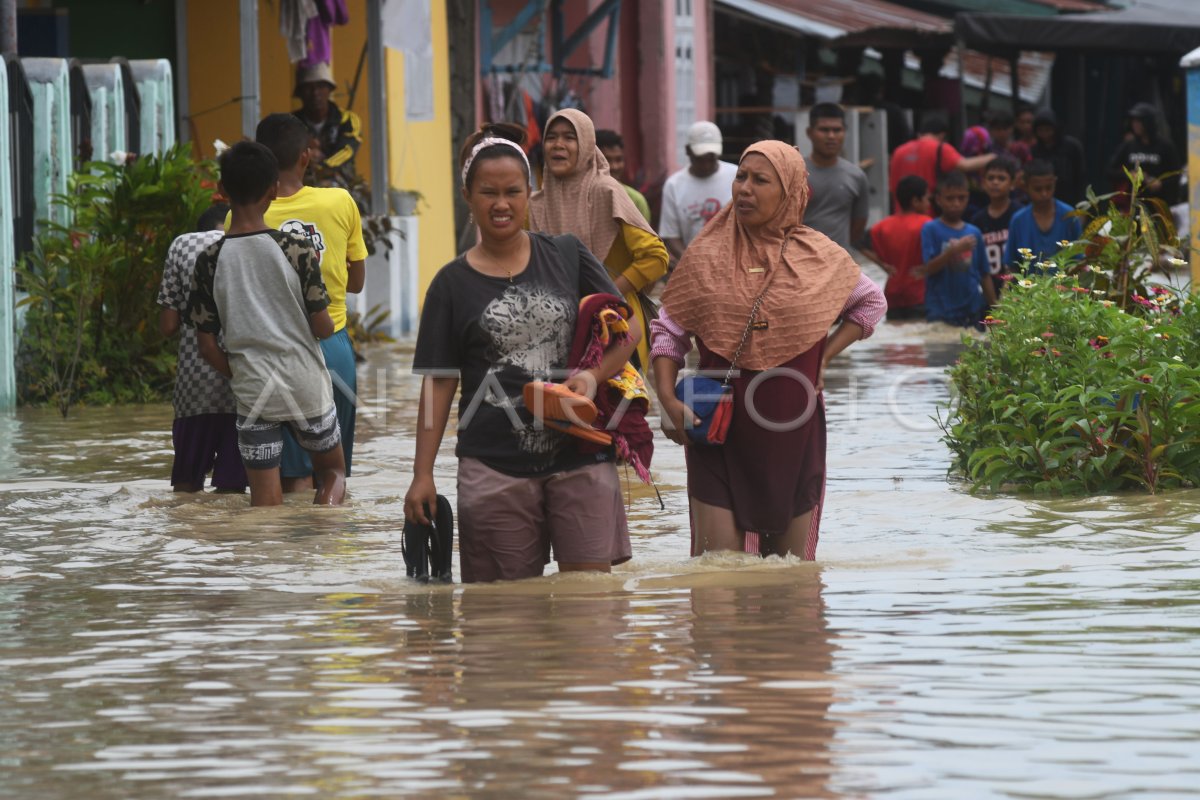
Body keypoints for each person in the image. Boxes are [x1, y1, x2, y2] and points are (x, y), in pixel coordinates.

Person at [404, 123, 638, 583]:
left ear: (529, 193)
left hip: (580, 454)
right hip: (493, 465)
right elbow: (440, 383)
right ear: (467, 197)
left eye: (513, 191)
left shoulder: (566, 255)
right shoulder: (450, 285)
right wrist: (422, 474)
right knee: (502, 612)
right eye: (488, 193)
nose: (501, 204)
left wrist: (592, 378)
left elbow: (625, 331)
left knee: (589, 604)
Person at [650, 141, 886, 560]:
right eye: (741, 177)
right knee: (719, 574)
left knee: (791, 580)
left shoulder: (821, 257)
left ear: (791, 191)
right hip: (717, 428)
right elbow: (669, 331)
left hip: (794, 428)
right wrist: (667, 399)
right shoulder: (705, 255)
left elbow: (871, 303)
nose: (744, 189)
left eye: (760, 180)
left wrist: (824, 356)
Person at [188, 141, 346, 507]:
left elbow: (207, 347)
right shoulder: (297, 249)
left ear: (222, 190)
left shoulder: (209, 260)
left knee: (264, 506)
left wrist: (244, 372)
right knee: (332, 474)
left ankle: (263, 546)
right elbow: (323, 327)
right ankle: (326, 535)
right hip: (306, 386)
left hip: (253, 392)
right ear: (273, 190)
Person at [255, 113, 367, 493]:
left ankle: (294, 537)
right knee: (333, 474)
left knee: (292, 479)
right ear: (306, 156)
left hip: (276, 352)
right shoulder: (340, 201)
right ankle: (329, 533)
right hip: (334, 346)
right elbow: (356, 283)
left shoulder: (245, 215)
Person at [529, 109, 668, 371]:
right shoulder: (535, 204)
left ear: (586, 144)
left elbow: (655, 257)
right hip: (559, 332)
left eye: (569, 137)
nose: (558, 144)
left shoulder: (606, 191)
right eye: (551, 137)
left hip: (616, 327)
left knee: (612, 398)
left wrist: (606, 295)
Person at [157, 203, 248, 494]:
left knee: (186, 487)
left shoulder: (181, 244)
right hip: (244, 387)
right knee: (232, 492)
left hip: (194, 390)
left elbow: (168, 325)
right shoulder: (252, 242)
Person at [916, 170, 996, 327]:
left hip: (972, 309)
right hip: (939, 310)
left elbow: (984, 274)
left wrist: (996, 310)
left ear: (968, 198)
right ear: (938, 199)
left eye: (961, 198)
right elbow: (928, 268)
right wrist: (953, 251)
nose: (956, 203)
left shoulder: (974, 232)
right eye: (950, 198)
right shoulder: (930, 229)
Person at [658, 120, 739, 263]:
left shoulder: (737, 176)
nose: (706, 164)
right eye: (700, 158)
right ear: (688, 151)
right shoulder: (674, 185)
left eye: (711, 157)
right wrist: (691, 261)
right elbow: (670, 234)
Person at [889, 112, 997, 211]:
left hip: (900, 214)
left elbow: (891, 187)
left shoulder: (898, 151)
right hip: (928, 214)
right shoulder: (940, 148)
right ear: (942, 135)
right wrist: (994, 157)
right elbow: (965, 165)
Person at [802, 103, 870, 252]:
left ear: (845, 132)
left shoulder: (857, 176)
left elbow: (858, 224)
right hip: (800, 260)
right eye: (824, 130)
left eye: (837, 130)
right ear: (809, 132)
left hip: (839, 261)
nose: (831, 136)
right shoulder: (795, 173)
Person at [862, 175, 932, 320]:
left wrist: (883, 265)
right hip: (918, 294)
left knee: (895, 332)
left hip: (892, 294)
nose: (928, 203)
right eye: (926, 199)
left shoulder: (882, 226)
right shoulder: (927, 224)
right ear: (915, 201)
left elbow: (857, 242)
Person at [1004, 159, 1083, 268]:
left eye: (1048, 187)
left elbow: (1079, 261)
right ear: (1026, 187)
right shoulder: (1018, 221)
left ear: (1054, 182)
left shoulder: (1070, 215)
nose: (1044, 194)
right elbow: (1011, 265)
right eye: (1038, 189)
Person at [293, 62, 362, 185]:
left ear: (329, 89)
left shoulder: (348, 120)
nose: (315, 93)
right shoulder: (290, 123)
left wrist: (321, 165)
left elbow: (347, 151)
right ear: (300, 93)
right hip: (301, 183)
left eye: (320, 86)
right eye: (308, 87)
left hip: (341, 183)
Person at [1107, 102, 1181, 205]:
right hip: (1134, 204)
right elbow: (1110, 171)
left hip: (1159, 204)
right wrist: (1129, 175)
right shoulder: (1129, 145)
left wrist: (1161, 184)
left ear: (1148, 123)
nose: (1135, 125)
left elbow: (1176, 175)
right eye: (1133, 121)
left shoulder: (1165, 146)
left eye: (1139, 121)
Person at [970, 156, 1022, 297]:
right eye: (990, 178)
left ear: (1012, 184)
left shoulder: (1020, 215)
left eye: (1001, 178)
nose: (995, 182)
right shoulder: (977, 220)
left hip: (1019, 290)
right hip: (988, 291)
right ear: (983, 183)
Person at [1030, 108, 1087, 207]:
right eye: (1041, 130)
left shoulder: (1072, 146)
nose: (1045, 134)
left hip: (1070, 197)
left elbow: (1080, 176)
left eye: (1048, 130)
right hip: (1044, 198)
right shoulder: (1035, 150)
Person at [595, 128, 652, 223]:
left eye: (619, 160)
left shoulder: (636, 200)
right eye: (606, 160)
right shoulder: (580, 198)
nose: (614, 166)